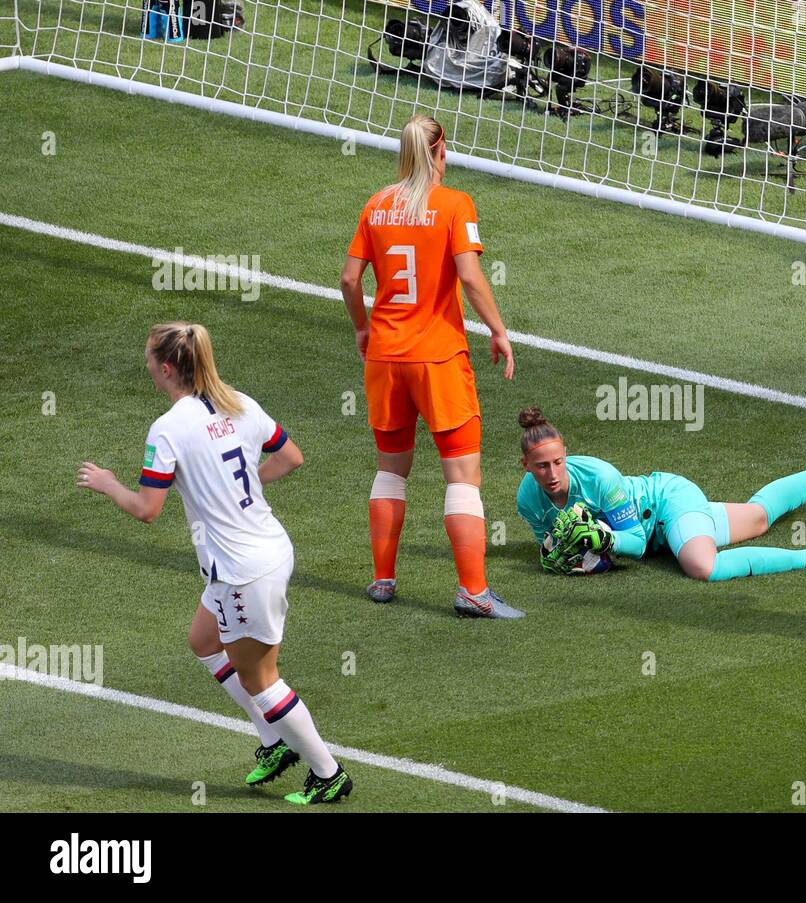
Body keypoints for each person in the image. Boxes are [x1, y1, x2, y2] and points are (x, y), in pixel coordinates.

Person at [76, 323, 352, 805]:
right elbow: (291, 457)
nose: (145, 366)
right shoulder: (238, 402)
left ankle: (328, 773)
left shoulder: (168, 429)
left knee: (260, 680)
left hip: (241, 571)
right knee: (204, 641)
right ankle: (274, 742)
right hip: (266, 548)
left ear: (165, 369)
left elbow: (147, 510)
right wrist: (241, 491)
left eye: (148, 360)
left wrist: (107, 483)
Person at [341, 114, 521, 618]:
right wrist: (499, 330)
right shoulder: (454, 204)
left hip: (385, 358)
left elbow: (350, 280)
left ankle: (382, 579)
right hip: (438, 358)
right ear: (442, 151)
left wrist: (362, 327)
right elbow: (470, 275)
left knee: (390, 469)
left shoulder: (376, 204)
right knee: (462, 475)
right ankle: (472, 591)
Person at [515, 407, 806, 581]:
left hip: (667, 505)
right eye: (541, 466)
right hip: (658, 529)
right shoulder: (526, 500)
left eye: (558, 462)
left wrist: (604, 539)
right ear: (526, 466)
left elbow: (637, 544)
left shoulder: (600, 476)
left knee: (702, 567)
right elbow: (552, 544)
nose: (552, 473)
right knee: (759, 517)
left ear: (567, 456)